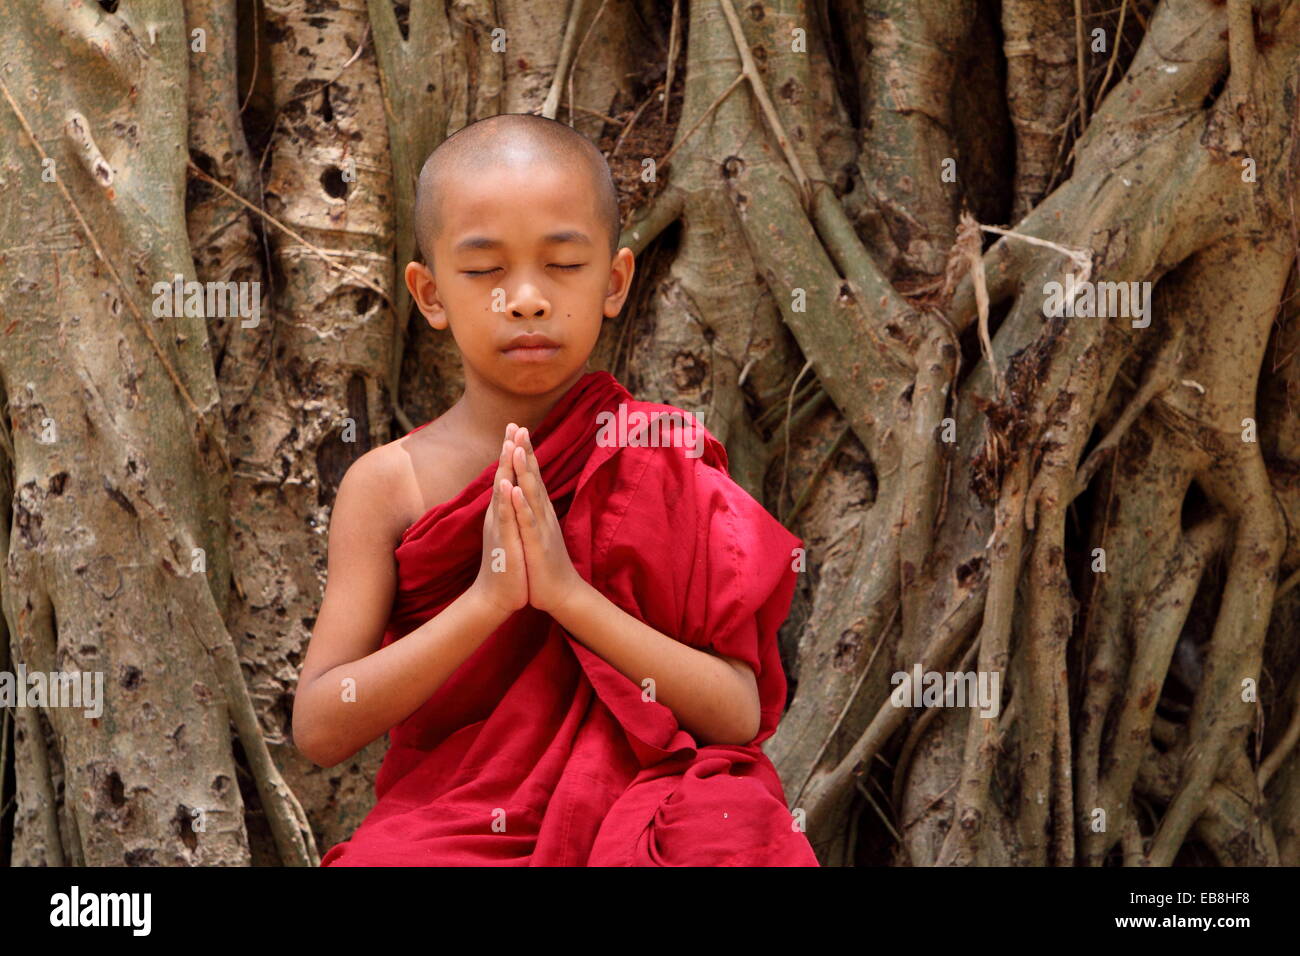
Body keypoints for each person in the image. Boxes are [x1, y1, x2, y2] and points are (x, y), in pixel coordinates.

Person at [292, 113, 818, 866]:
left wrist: (568, 594)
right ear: (430, 293)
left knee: (730, 832)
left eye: (564, 265)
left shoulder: (658, 454)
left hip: (650, 801)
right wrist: (487, 602)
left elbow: (735, 713)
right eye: (484, 271)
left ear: (614, 282)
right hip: (457, 823)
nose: (528, 298)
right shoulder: (391, 484)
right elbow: (320, 724)